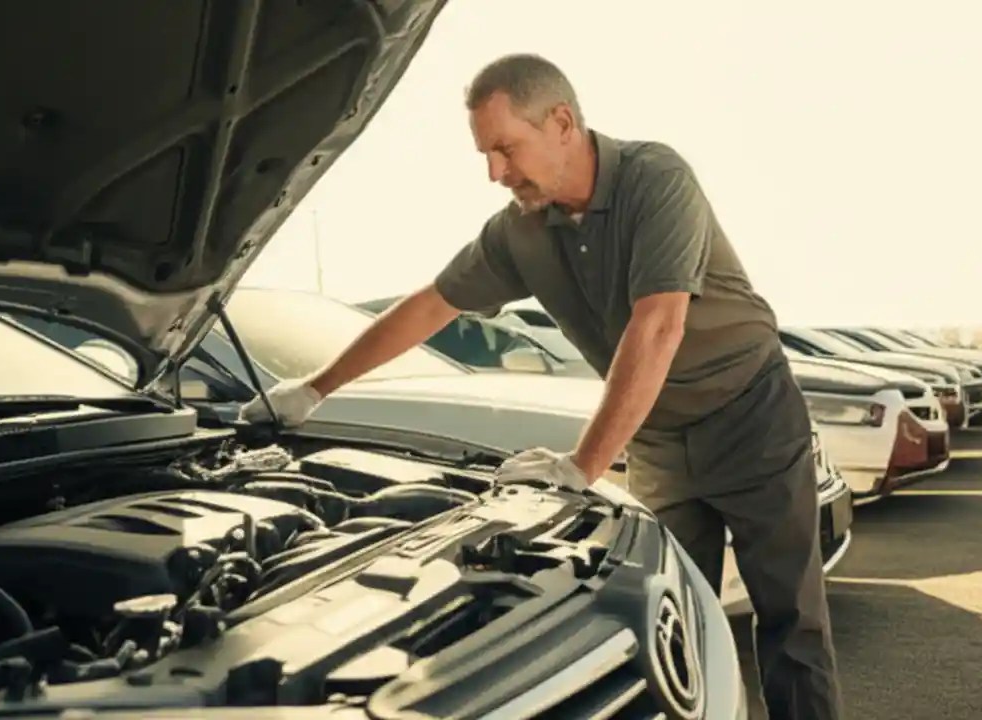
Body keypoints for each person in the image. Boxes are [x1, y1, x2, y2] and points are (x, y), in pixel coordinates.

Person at [239, 53, 841, 719]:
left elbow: (659, 325)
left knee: (791, 622)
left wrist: (583, 463)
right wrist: (314, 388)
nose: (495, 173)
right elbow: (432, 304)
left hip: (751, 414)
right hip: (663, 441)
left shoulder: (656, 179)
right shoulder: (521, 231)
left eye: (505, 148)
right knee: (675, 620)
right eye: (484, 154)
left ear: (561, 122)